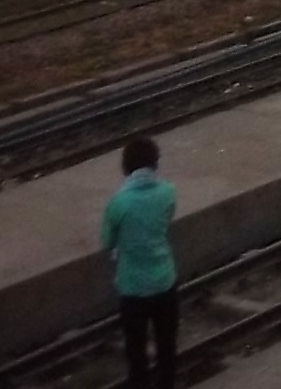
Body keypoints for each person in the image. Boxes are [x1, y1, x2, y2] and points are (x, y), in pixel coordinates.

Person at [101, 136, 179, 389]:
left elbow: (107, 242)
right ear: (155, 163)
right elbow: (165, 222)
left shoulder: (118, 203)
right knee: (167, 345)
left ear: (126, 167)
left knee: (136, 352)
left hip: (133, 287)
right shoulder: (168, 192)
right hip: (165, 281)